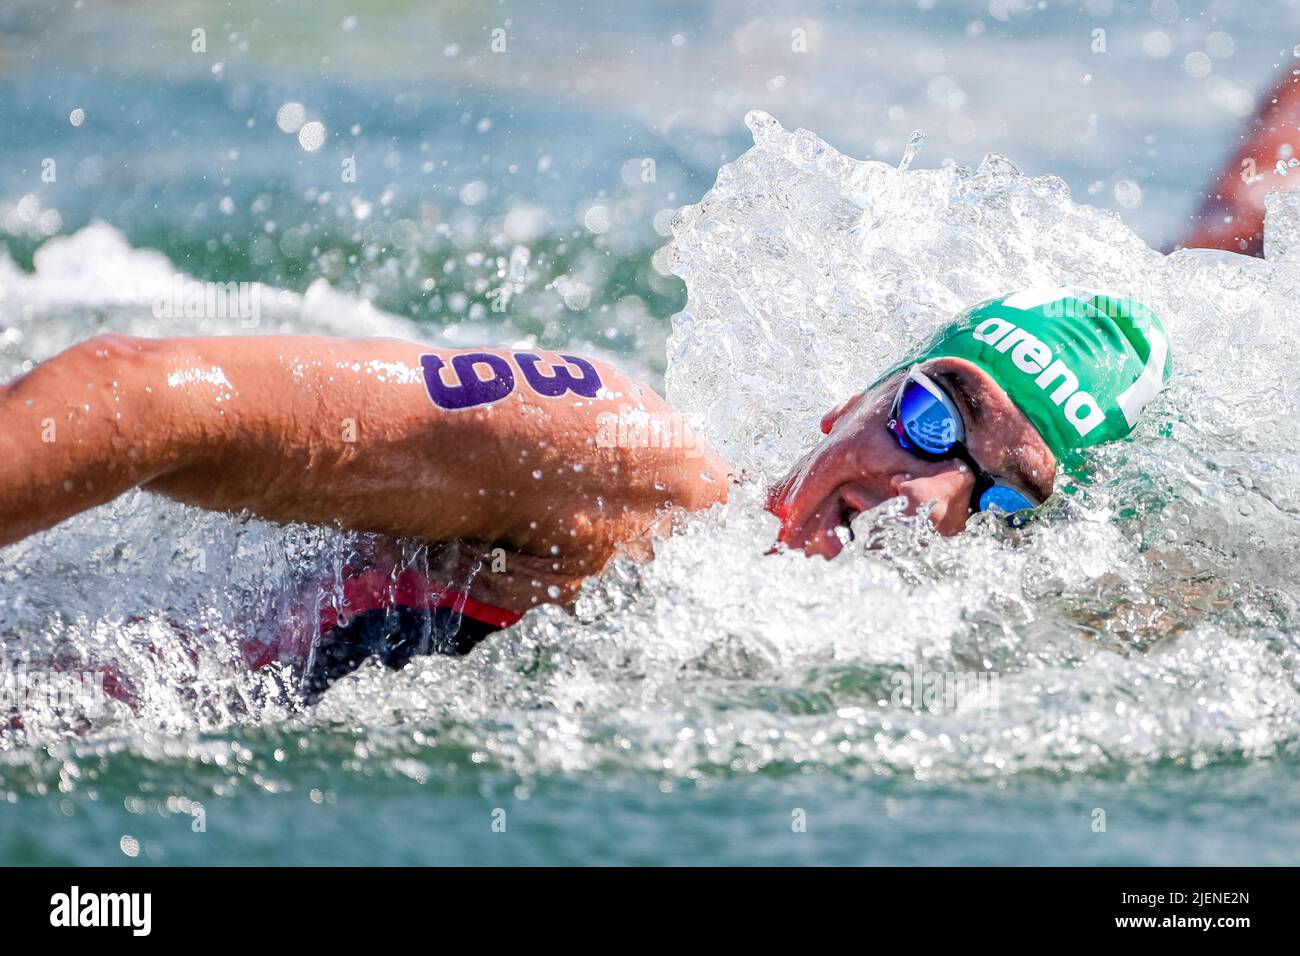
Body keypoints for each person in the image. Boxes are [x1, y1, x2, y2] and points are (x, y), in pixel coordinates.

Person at [0, 288, 1170, 701]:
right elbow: (143, 395)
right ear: (853, 399)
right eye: (928, 414)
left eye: (1001, 496)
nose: (922, 496)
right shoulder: (608, 459)